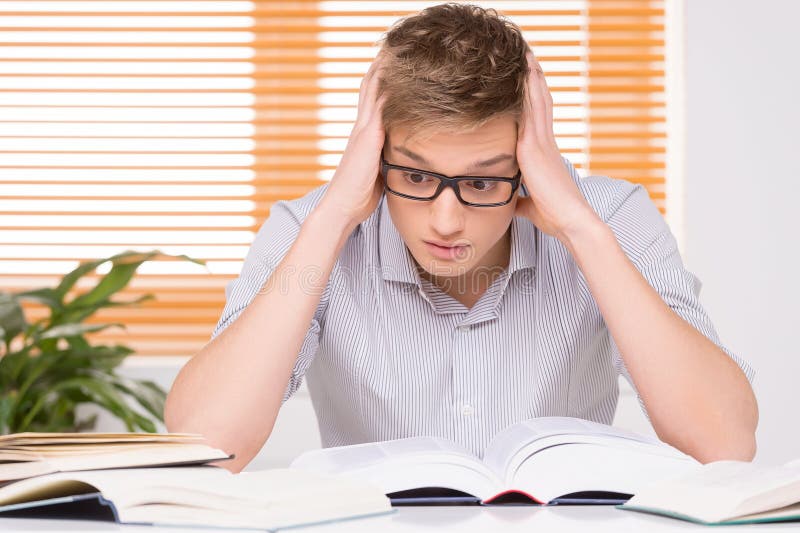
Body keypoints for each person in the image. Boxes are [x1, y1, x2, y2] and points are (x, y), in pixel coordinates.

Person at [164, 3, 758, 473]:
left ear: (529, 160)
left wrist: (581, 230)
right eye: (416, 175)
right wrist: (334, 216)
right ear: (377, 156)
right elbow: (208, 444)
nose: (446, 221)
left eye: (482, 180)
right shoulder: (311, 227)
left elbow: (724, 443)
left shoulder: (607, 216)